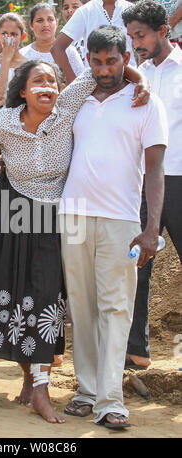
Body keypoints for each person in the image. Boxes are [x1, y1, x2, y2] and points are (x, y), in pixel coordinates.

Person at [0, 58, 149, 423]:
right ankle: (28, 378)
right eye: (38, 81)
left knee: (46, 295)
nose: (48, 88)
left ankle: (42, 388)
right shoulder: (3, 121)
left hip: (58, 212)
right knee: (15, 290)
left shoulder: (66, 106)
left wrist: (142, 79)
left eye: (53, 81)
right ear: (22, 91)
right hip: (13, 208)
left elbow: (107, 68)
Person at [59, 25, 168, 429]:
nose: (105, 69)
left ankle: (110, 400)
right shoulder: (76, 99)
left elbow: (155, 170)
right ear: (87, 60)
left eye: (113, 60)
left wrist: (151, 228)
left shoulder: (145, 102)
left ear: (126, 59)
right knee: (82, 306)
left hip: (123, 219)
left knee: (117, 306)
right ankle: (86, 390)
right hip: (72, 217)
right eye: (97, 61)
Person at [122, 1, 182, 370]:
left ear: (163, 31)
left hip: (180, 179)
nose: (136, 43)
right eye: (131, 37)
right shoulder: (134, 77)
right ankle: (135, 352)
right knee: (134, 265)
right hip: (140, 185)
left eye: (141, 35)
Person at [51, 0, 136, 83]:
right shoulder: (86, 11)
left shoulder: (131, 9)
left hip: (129, 83)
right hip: (95, 86)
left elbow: (146, 44)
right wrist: (74, 83)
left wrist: (143, 77)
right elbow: (57, 48)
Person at [20, 3, 84, 78]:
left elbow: (81, 83)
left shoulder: (69, 52)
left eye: (50, 20)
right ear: (31, 25)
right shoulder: (23, 55)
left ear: (56, 23)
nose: (46, 24)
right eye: (40, 20)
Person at [0, 13, 27, 112]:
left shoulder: (28, 65)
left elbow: (28, 97)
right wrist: (6, 60)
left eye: (14, 34)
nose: (9, 38)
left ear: (22, 36)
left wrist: (5, 100)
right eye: (4, 34)